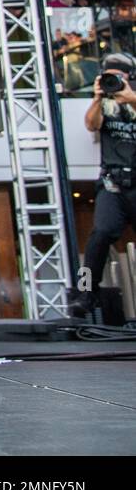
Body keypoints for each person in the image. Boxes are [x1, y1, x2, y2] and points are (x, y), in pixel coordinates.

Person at [77, 51, 136, 318]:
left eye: (119, 76)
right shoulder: (104, 103)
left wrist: (131, 97)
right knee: (99, 235)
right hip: (112, 182)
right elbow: (91, 125)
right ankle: (86, 291)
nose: (115, 81)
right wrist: (98, 97)